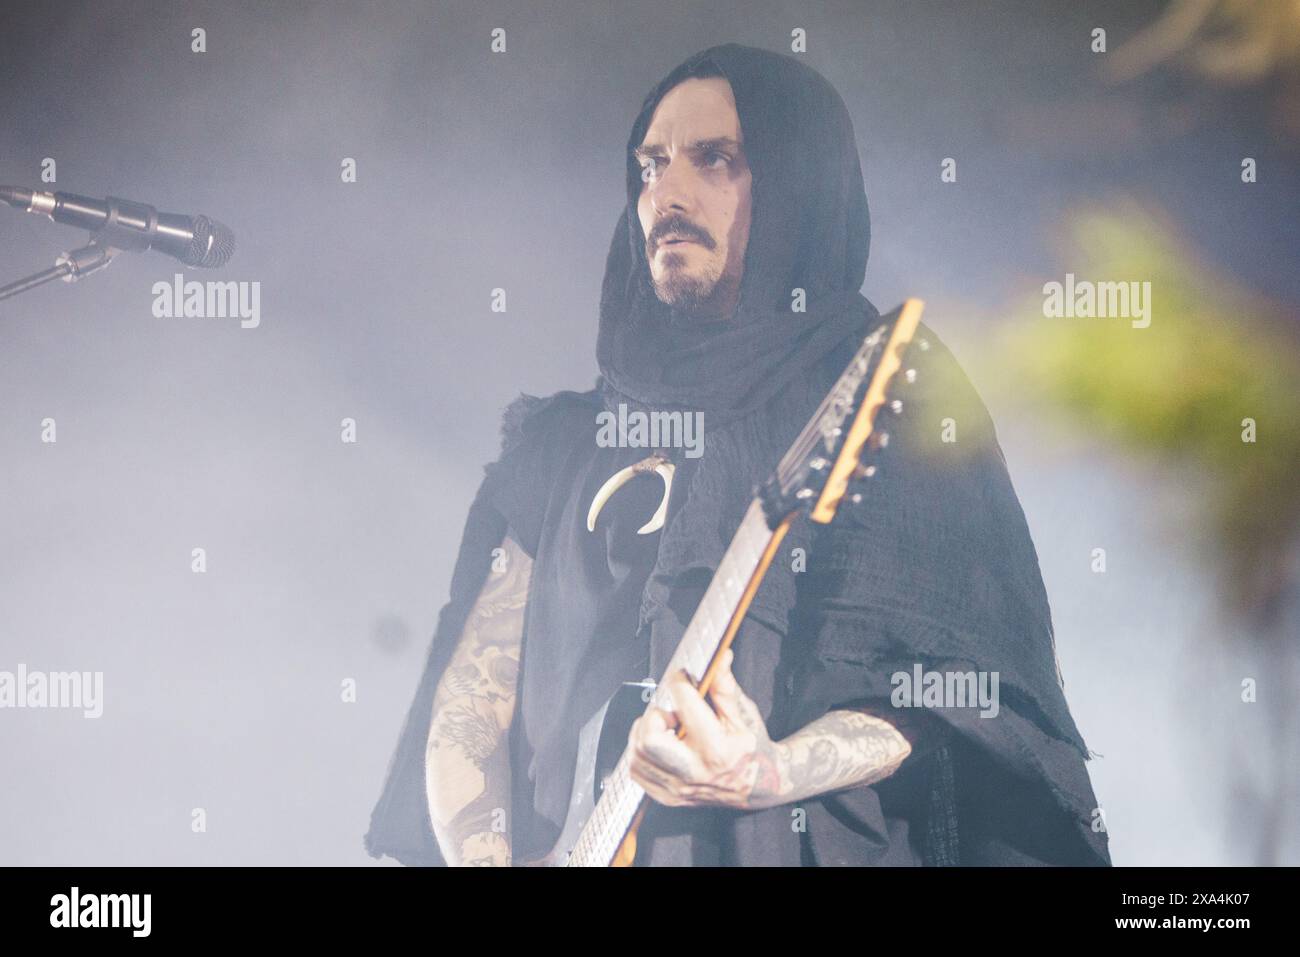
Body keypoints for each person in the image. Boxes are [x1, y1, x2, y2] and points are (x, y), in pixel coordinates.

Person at [365, 43, 1111, 867]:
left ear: (800, 185)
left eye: (715, 160)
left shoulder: (873, 386)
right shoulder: (565, 440)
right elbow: (473, 699)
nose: (666, 195)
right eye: (649, 166)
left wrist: (769, 769)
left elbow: (958, 694)